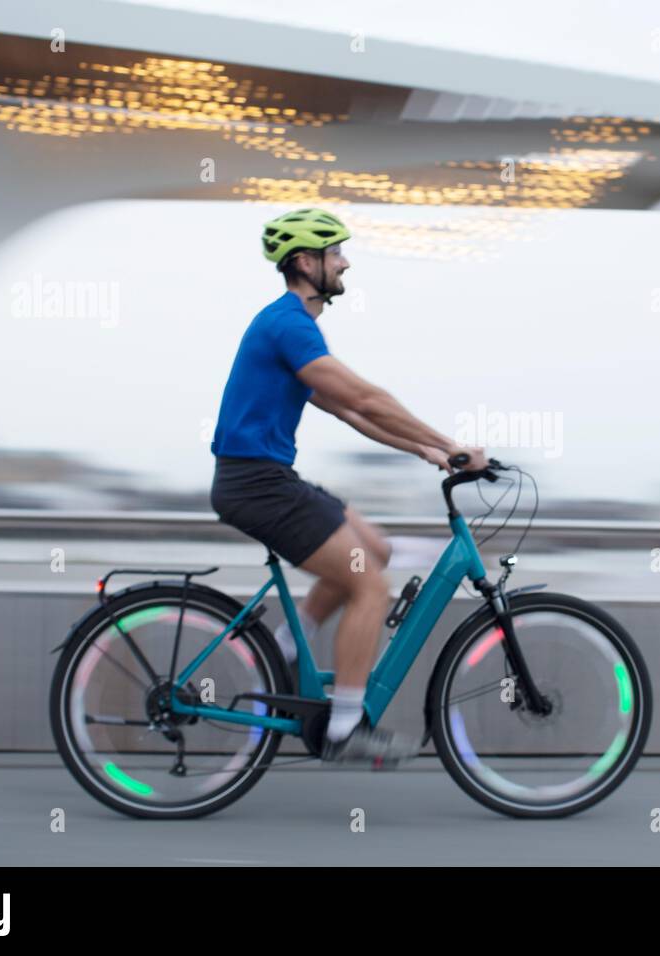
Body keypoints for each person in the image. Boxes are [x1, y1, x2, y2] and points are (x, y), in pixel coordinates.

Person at [209, 207, 488, 768]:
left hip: (268, 479)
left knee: (375, 552)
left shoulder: (295, 326)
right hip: (257, 484)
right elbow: (366, 398)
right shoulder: (287, 325)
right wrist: (452, 443)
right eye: (336, 252)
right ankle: (344, 729)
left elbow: (347, 412)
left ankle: (284, 649)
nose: (345, 261)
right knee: (369, 587)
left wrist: (425, 451)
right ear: (306, 262)